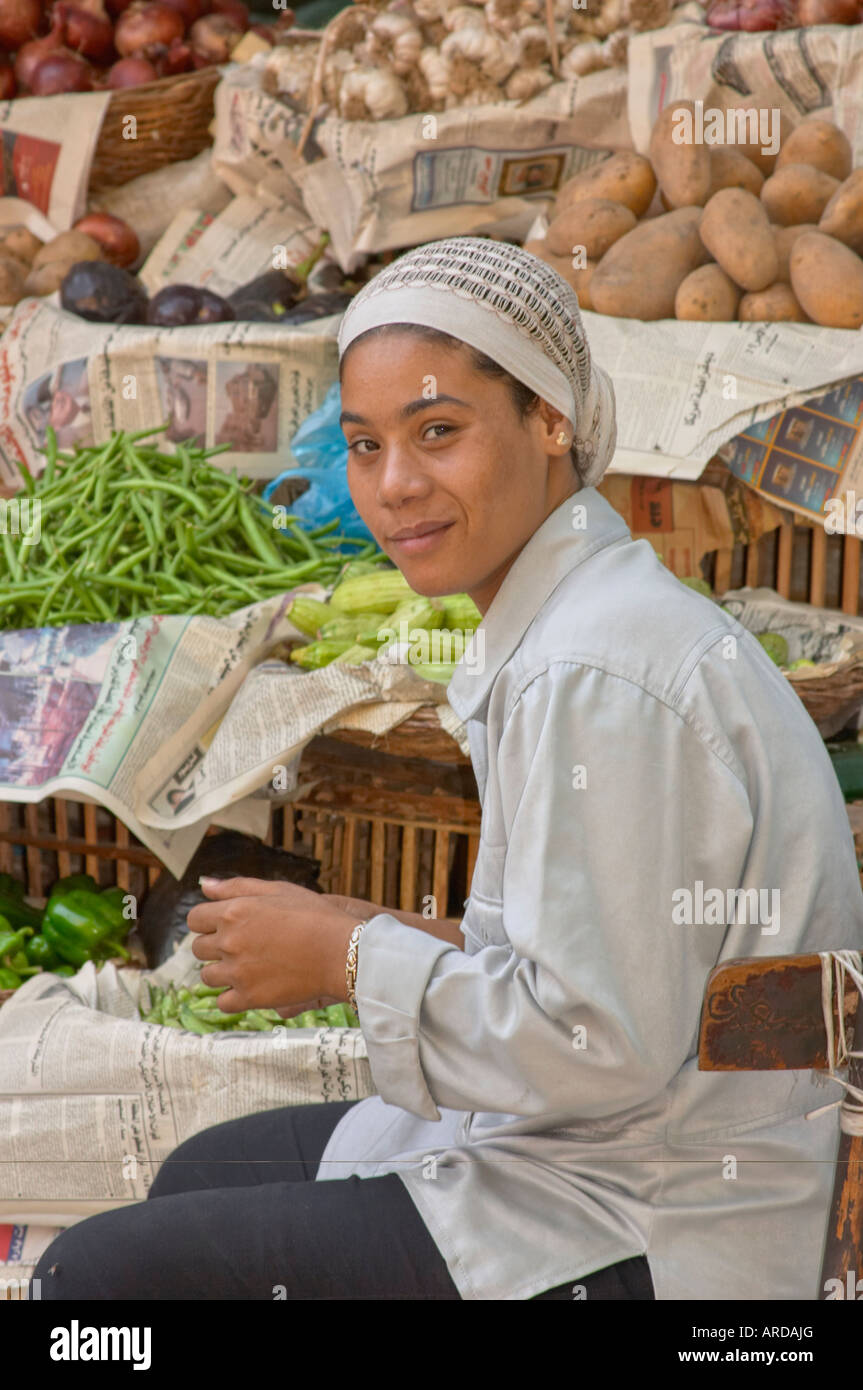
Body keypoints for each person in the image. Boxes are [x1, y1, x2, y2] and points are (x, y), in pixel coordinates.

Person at [34, 236, 863, 1302]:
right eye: (366, 444)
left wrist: (347, 963)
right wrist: (363, 930)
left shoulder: (592, 669)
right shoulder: (575, 622)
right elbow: (606, 963)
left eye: (437, 433)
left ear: (549, 420)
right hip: (600, 1142)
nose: (394, 487)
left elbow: (595, 1043)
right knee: (201, 1170)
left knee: (91, 1283)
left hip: (661, 1215)